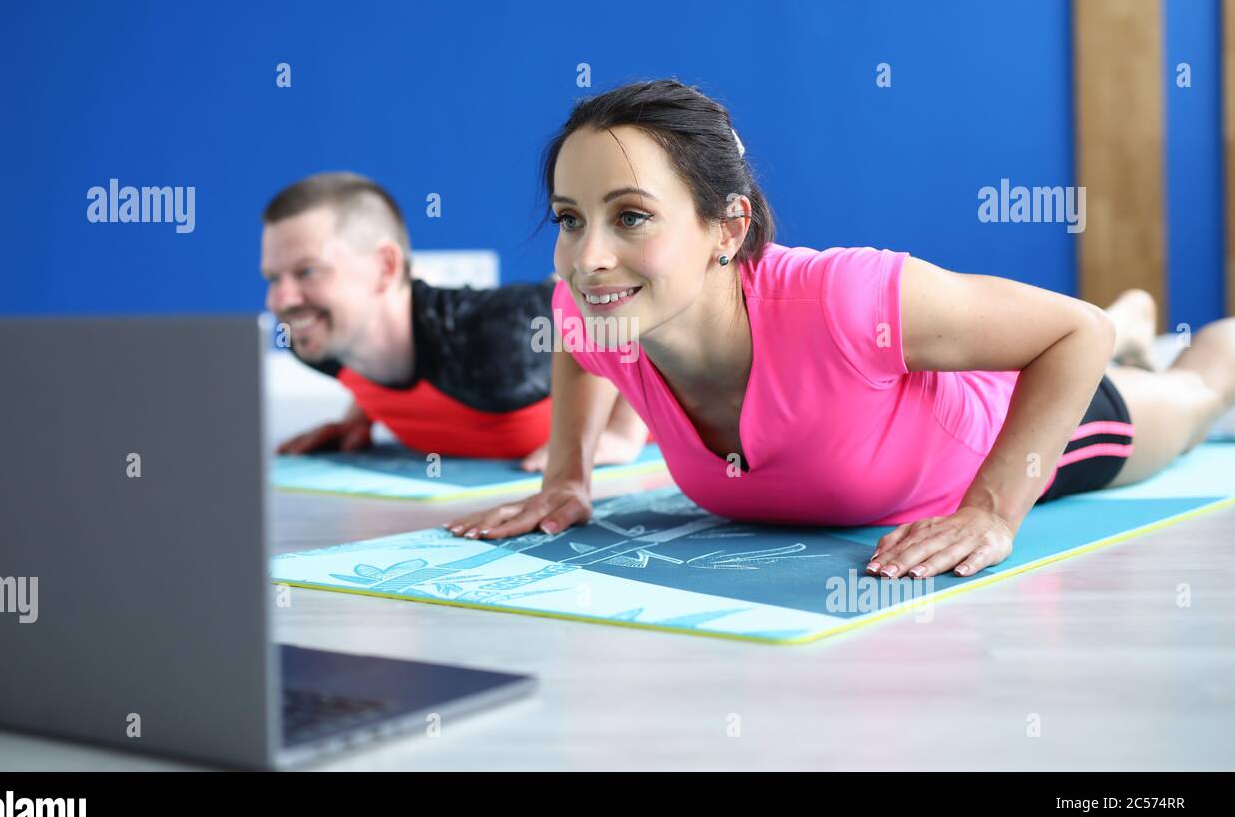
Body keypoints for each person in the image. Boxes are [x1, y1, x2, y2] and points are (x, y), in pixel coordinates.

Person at [444, 79, 1235, 579]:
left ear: (727, 229)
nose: (589, 257)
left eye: (631, 217)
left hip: (1034, 425)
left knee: (1196, 391)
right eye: (569, 219)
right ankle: (1142, 318)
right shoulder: (589, 311)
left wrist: (992, 509)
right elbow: (582, 356)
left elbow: (1073, 333)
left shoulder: (844, 302)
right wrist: (566, 480)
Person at [260, 171, 647, 467]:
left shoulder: (499, 341)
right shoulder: (318, 342)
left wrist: (621, 431)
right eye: (274, 278)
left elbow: (622, 308)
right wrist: (358, 419)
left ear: (384, 267)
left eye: (308, 272)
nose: (280, 300)